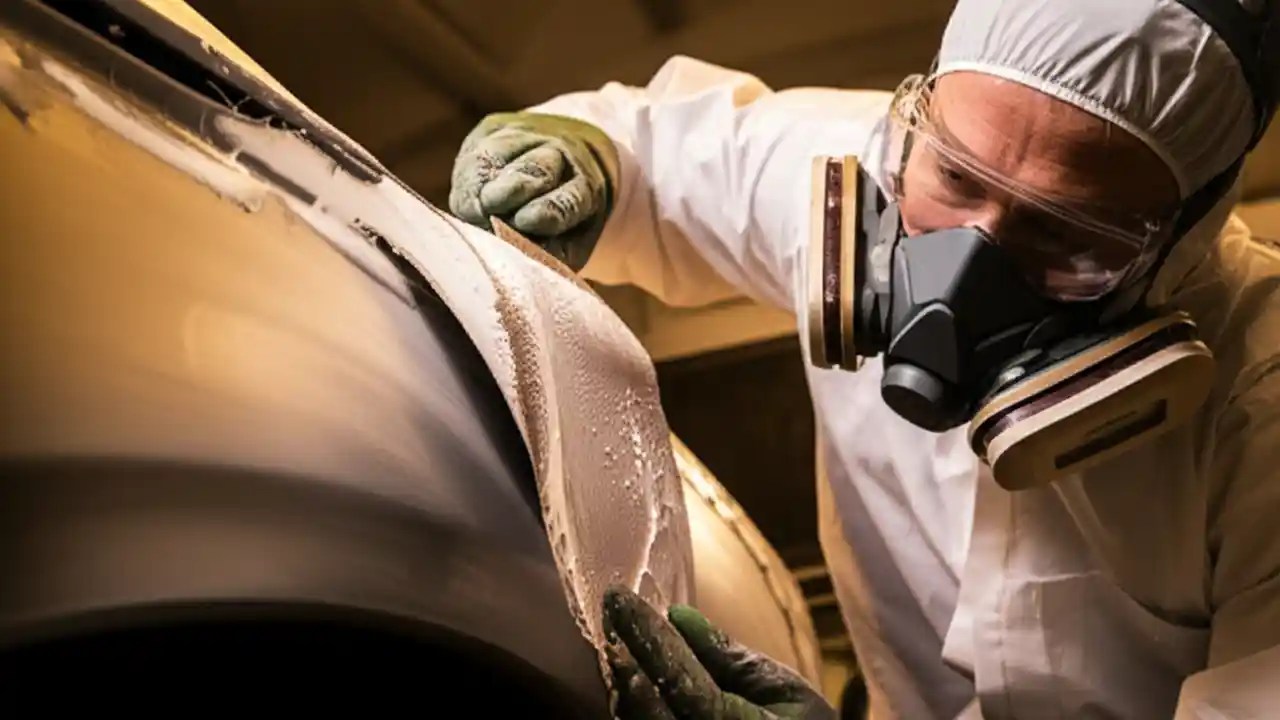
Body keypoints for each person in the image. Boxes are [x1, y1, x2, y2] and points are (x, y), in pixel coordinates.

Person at [449, 0, 1280, 717]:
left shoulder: (1262, 407)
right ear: (916, 121)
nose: (961, 273)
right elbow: (648, 156)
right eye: (954, 176)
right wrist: (580, 161)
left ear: (1180, 246)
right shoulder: (863, 171)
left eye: (1065, 234)